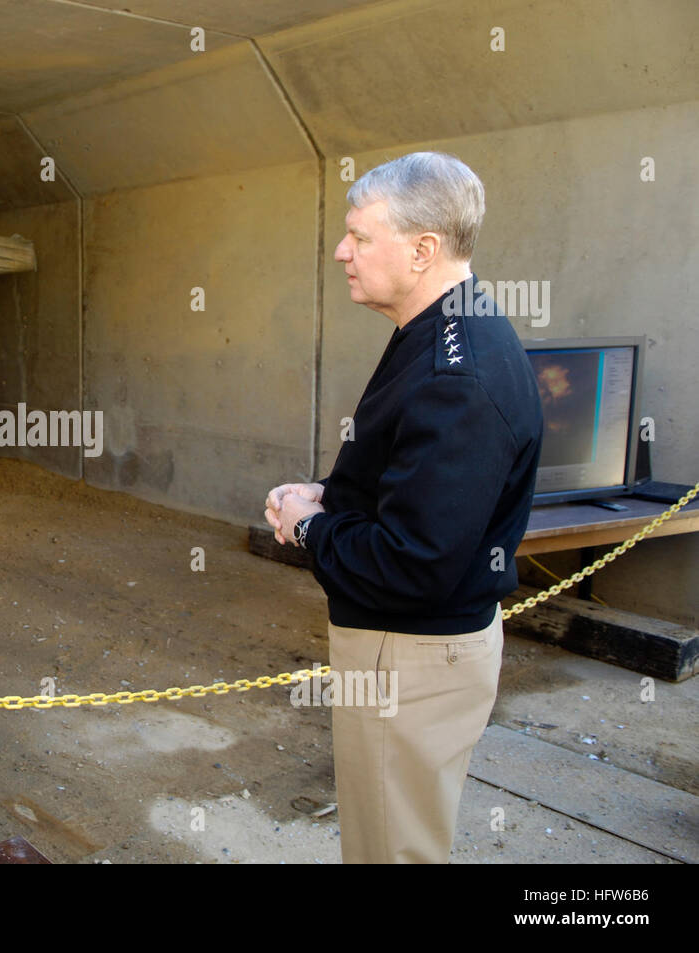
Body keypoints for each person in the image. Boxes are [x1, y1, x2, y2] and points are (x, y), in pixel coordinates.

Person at [264, 152, 542, 863]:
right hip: (410, 650)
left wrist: (308, 523)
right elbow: (414, 475)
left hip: (407, 657)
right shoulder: (445, 326)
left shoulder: (458, 375)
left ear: (423, 250)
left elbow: (410, 563)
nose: (341, 251)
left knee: (390, 850)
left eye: (360, 235)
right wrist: (334, 495)